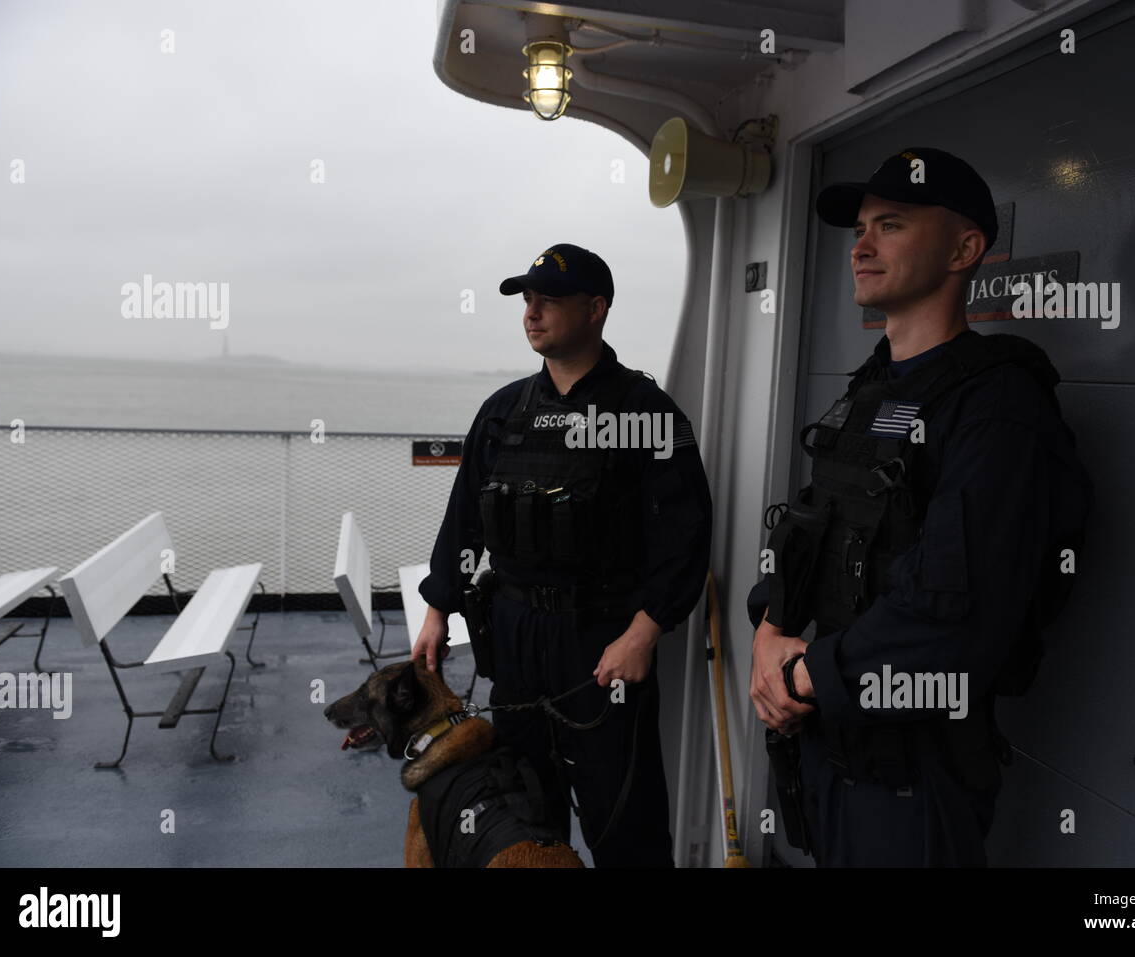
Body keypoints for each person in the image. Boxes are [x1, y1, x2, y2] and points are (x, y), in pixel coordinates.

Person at [747, 148, 1093, 866]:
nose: (862, 246)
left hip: (913, 771)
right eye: (861, 228)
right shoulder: (871, 389)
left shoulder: (999, 406)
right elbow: (810, 521)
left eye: (892, 225)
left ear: (965, 249)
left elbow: (957, 612)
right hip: (828, 743)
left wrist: (801, 674)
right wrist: (771, 626)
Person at [414, 243, 712, 867]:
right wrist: (438, 611)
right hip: (516, 636)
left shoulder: (644, 413)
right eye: (526, 300)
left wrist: (643, 633)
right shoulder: (502, 413)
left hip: (600, 640)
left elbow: (685, 539)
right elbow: (464, 518)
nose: (531, 312)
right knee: (522, 807)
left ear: (596, 308)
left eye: (548, 300)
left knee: (621, 813)